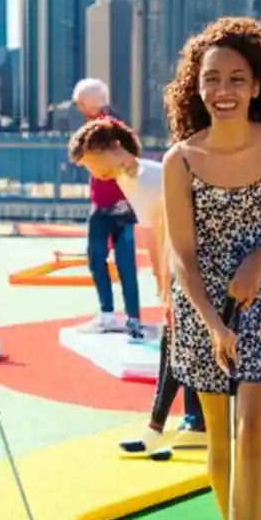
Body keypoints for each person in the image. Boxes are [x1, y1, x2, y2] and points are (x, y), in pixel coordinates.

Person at [161, 16, 261, 520]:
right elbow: (181, 254)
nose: (223, 90)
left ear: (255, 85)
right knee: (220, 442)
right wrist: (211, 324)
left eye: (235, 78)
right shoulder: (178, 161)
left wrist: (257, 262)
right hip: (203, 307)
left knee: (252, 433)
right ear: (196, 87)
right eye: (211, 79)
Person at [68, 117, 207, 453]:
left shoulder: (146, 176)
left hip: (199, 262)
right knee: (178, 343)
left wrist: (170, 284)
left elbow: (165, 232)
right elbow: (157, 231)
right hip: (185, 265)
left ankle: (187, 424)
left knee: (183, 343)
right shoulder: (130, 176)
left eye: (93, 163)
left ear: (115, 148)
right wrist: (165, 285)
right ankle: (176, 425)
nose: (93, 173)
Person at [73, 78, 143, 340]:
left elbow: (131, 158)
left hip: (114, 208)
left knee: (109, 260)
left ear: (88, 103)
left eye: (81, 103)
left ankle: (118, 316)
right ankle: (121, 316)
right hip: (109, 206)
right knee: (109, 260)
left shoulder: (108, 129)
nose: (79, 107)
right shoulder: (105, 126)